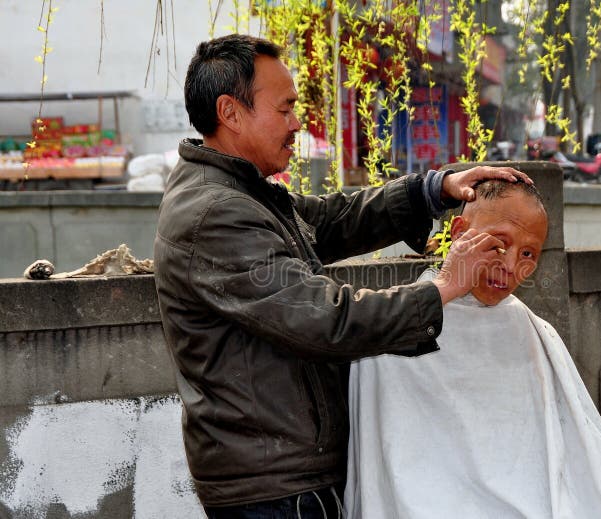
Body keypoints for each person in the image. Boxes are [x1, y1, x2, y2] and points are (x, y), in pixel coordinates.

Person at [153, 33, 531, 518]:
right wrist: (444, 287)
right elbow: (324, 319)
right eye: (285, 109)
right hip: (275, 489)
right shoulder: (216, 213)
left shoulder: (243, 193)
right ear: (231, 113)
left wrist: (432, 190)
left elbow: (331, 220)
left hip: (287, 476)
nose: (296, 124)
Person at [345, 179, 601, 518]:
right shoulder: (397, 326)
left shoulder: (535, 333)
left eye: (528, 254)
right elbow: (389, 477)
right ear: (460, 232)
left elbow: (578, 464)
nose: (510, 267)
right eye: (498, 244)